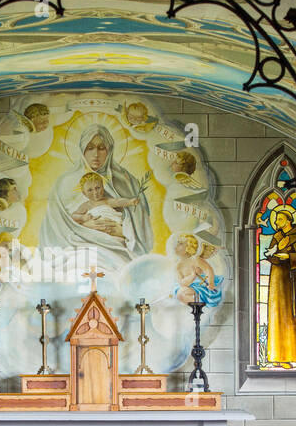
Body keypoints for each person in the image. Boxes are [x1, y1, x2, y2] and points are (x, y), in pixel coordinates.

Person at [40, 125, 151, 268]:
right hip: (77, 248)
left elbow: (142, 227)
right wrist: (86, 226)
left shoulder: (127, 181)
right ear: (82, 150)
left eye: (101, 148)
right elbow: (54, 228)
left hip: (118, 246)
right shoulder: (64, 183)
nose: (96, 154)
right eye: (90, 148)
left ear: (109, 150)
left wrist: (122, 231)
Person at [264, 205, 296, 363]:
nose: (277, 221)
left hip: (291, 279)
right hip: (277, 277)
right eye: (276, 219)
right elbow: (271, 253)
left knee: (291, 313)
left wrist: (288, 257)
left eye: (280, 219)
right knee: (276, 312)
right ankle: (277, 356)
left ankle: (295, 356)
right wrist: (273, 256)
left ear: (288, 220)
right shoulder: (277, 236)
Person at [71, 171, 139, 249]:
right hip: (96, 233)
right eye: (90, 190)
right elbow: (73, 216)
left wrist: (130, 202)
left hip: (113, 229)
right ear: (84, 193)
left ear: (103, 187)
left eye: (98, 188)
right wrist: (83, 218)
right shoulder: (85, 206)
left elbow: (118, 202)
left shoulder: (107, 201)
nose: (95, 192)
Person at [173, 233, 224, 307]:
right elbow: (182, 283)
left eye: (180, 244)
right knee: (180, 293)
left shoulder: (195, 259)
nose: (176, 246)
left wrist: (211, 283)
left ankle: (200, 302)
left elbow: (208, 270)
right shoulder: (178, 266)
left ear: (188, 247)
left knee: (182, 293)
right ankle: (196, 305)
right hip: (190, 288)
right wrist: (192, 276)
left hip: (203, 287)